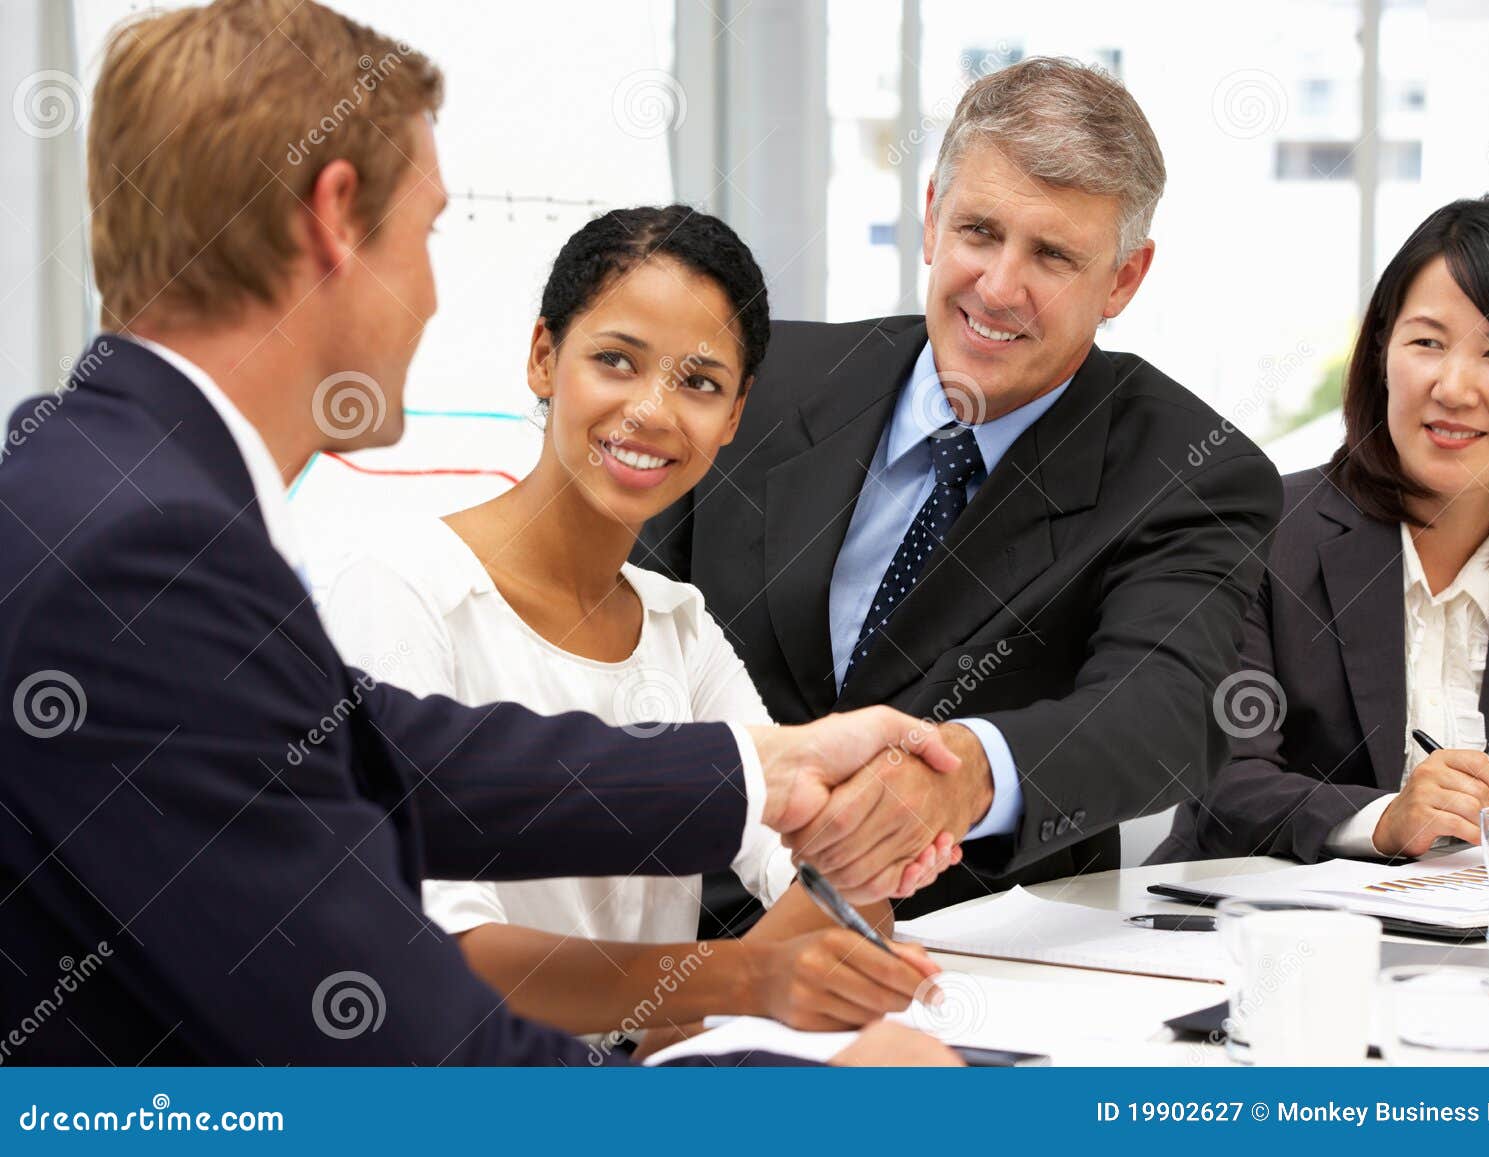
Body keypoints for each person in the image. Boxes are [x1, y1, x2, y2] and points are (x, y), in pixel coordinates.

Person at [0, 0, 959, 1066]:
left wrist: (769, 772)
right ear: (333, 214)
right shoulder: (147, 560)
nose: (429, 292)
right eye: (427, 233)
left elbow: (386, 756)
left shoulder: (100, 489)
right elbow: (406, 1049)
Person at [635, 56, 1283, 922]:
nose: (1000, 286)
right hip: (670, 937)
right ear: (933, 214)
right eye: (979, 231)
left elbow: (1162, 712)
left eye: (1052, 254)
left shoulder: (1193, 470)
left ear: (1125, 278)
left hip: (964, 966)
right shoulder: (755, 377)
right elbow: (617, 629)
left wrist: (967, 773)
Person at [322, 204, 954, 1044]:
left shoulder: (678, 627)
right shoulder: (405, 592)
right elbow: (439, 957)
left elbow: (810, 875)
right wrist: (749, 978)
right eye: (616, 360)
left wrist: (872, 840)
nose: (654, 411)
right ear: (544, 356)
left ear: (734, 417)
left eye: (699, 382)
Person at [1152, 195, 1489, 865]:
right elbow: (1219, 783)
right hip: (1233, 941)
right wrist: (1386, 818)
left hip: (1473, 962)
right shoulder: (1256, 530)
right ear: (1382, 351)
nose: (1452, 386)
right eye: (1427, 342)